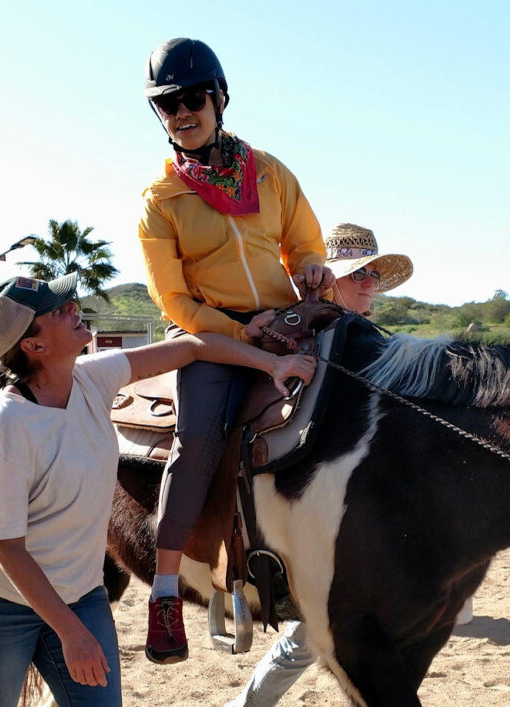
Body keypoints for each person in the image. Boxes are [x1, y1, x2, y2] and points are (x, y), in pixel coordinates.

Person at [0, 274, 316, 707]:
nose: (74, 306)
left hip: (78, 593)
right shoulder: (6, 425)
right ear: (33, 347)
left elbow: (192, 348)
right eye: (58, 311)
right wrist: (72, 634)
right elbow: (7, 548)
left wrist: (267, 364)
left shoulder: (93, 378)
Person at [138, 37, 334, 663]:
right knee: (197, 443)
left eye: (192, 98)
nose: (182, 113)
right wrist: (238, 332)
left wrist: (310, 269)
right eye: (167, 106)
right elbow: (173, 301)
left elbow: (304, 241)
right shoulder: (158, 202)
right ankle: (166, 593)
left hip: (285, 315)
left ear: (219, 98)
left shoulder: (272, 173)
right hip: (208, 330)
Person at [220, 223, 412, 707]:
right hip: (324, 516)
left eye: (372, 274)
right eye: (358, 274)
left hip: (364, 517)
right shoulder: (304, 334)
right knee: (322, 636)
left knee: (332, 637)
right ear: (330, 279)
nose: (369, 282)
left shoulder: (373, 345)